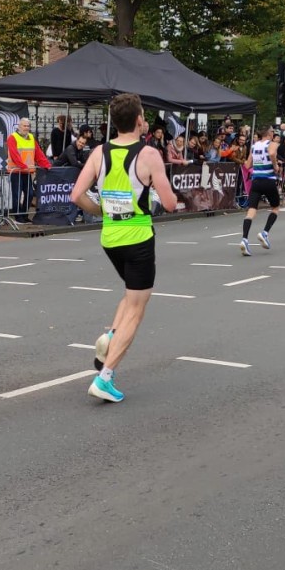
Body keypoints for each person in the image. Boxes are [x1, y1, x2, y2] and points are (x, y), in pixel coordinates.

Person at [69, 92, 179, 404]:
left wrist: (101, 211)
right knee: (137, 309)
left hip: (110, 238)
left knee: (130, 296)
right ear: (139, 120)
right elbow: (170, 204)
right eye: (144, 115)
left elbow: (77, 194)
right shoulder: (149, 155)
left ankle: (109, 337)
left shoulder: (98, 153)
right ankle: (104, 377)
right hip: (138, 236)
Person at [239, 126, 281, 256]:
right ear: (269, 133)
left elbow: (247, 165)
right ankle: (265, 233)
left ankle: (244, 239)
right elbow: (272, 153)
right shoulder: (272, 143)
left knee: (251, 210)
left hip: (256, 181)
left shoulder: (254, 145)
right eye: (273, 131)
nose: (273, 134)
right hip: (268, 179)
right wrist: (275, 166)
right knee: (275, 207)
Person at [6, 116, 50, 222]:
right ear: (19, 126)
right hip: (16, 171)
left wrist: (47, 165)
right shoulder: (12, 137)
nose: (26, 128)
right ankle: (18, 216)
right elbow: (14, 155)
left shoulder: (31, 137)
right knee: (17, 194)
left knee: (30, 193)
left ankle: (24, 214)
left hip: (27, 171)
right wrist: (23, 166)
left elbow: (38, 154)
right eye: (24, 126)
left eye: (28, 126)